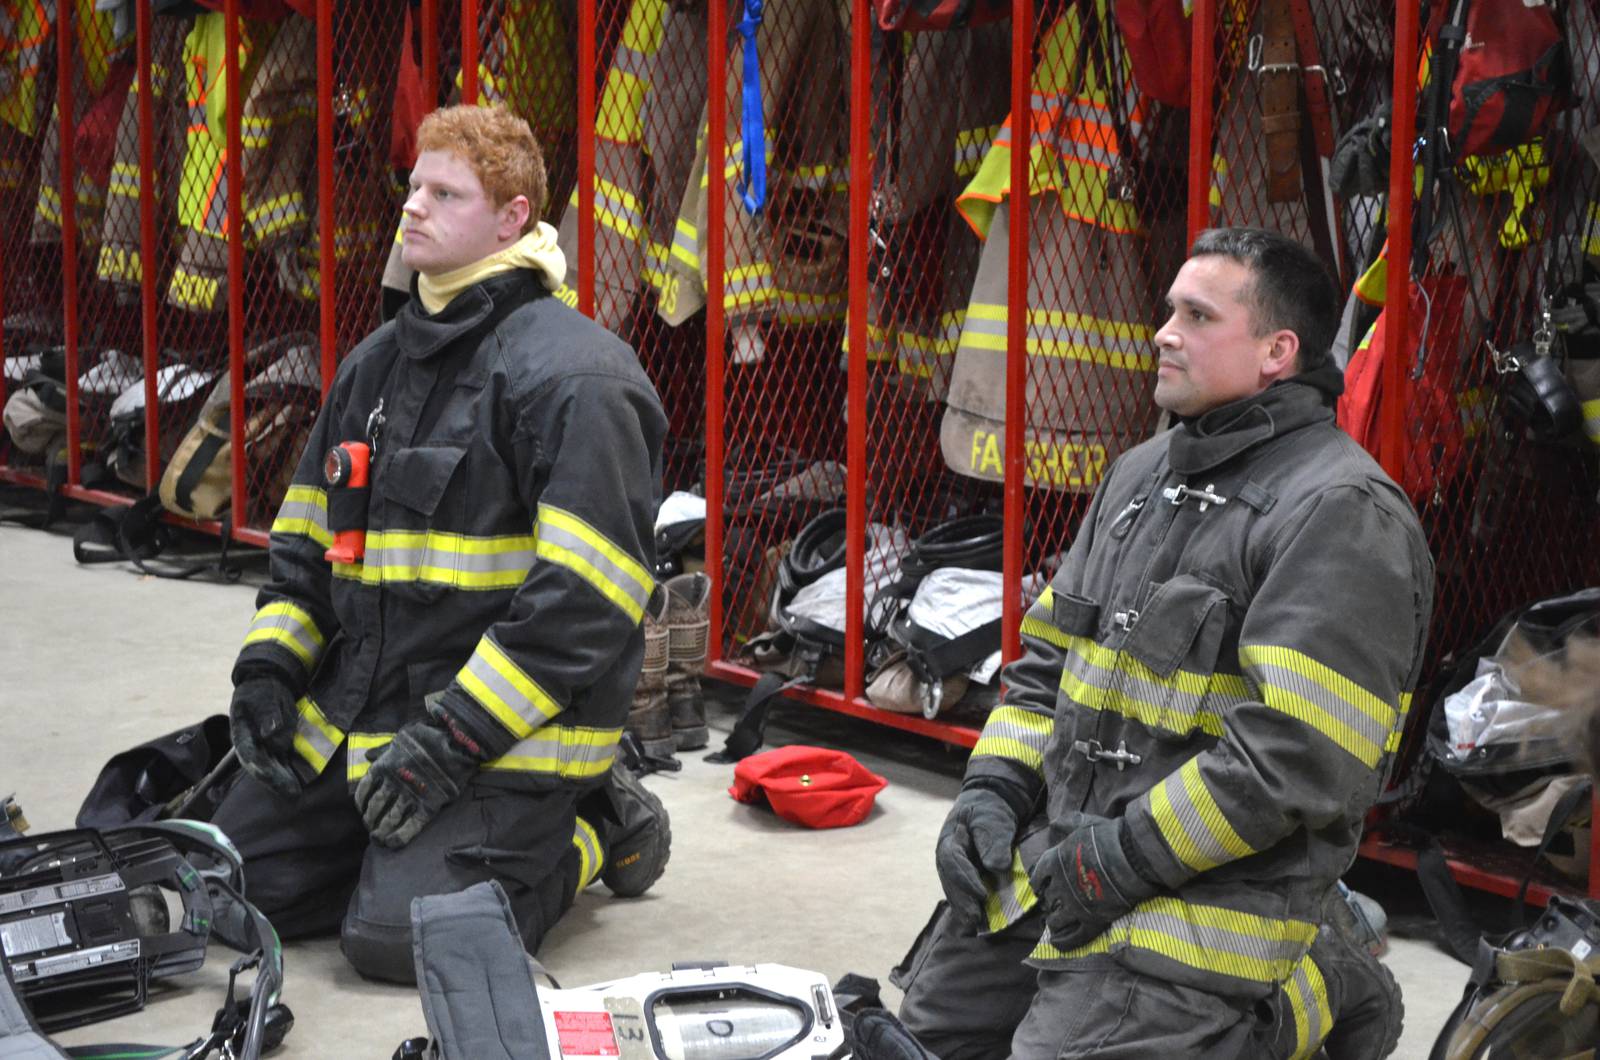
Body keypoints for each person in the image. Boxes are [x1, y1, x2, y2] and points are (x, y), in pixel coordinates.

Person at [892, 227, 1433, 1058]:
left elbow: (1294, 759)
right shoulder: (1139, 476)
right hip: (1061, 866)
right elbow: (1045, 669)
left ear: (1278, 352)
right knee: (921, 1040)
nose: (1162, 334)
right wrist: (991, 792)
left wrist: (1121, 859)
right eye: (1169, 310)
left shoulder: (1343, 514)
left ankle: (1311, 986)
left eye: (1197, 316)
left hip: (1210, 904)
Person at [214, 105, 670, 983]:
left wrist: (454, 740)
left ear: (512, 218)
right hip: (366, 725)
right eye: (414, 186)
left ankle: (592, 828)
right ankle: (400, 859)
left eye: (445, 193)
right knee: (221, 887)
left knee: (402, 943)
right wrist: (267, 672)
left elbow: (583, 607)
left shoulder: (576, 377)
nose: (413, 206)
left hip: (502, 743)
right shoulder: (376, 365)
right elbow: (304, 549)